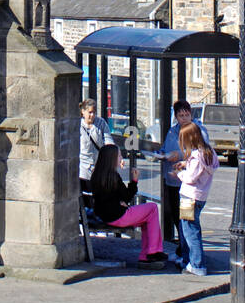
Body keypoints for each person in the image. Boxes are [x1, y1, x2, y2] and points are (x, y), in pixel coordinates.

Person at [89, 144, 165, 268]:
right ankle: (152, 252)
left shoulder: (96, 175)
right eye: (119, 155)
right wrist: (134, 180)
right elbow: (127, 196)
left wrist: (120, 201)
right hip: (118, 216)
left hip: (104, 215)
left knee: (147, 217)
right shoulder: (113, 176)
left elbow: (109, 197)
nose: (121, 158)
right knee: (152, 208)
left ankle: (147, 254)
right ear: (111, 158)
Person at [157, 100, 210, 260]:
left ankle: (194, 262)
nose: (184, 118)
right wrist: (161, 155)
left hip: (188, 190)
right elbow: (167, 149)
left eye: (187, 114)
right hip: (176, 185)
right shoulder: (172, 131)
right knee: (181, 221)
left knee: (188, 225)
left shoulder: (197, 131)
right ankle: (186, 256)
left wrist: (179, 159)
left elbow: (194, 169)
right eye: (181, 115)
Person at [174, 122, 219, 276]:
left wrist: (179, 174)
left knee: (190, 231)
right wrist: (186, 163)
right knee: (188, 227)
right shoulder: (209, 152)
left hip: (189, 196)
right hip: (201, 196)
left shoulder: (195, 156)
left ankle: (197, 265)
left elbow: (191, 177)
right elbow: (211, 165)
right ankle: (188, 261)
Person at [79, 98, 115, 193]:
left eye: (94, 112)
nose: (92, 115)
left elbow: (108, 140)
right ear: (83, 111)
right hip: (83, 167)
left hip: (98, 167)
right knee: (85, 193)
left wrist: (115, 156)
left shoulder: (101, 123)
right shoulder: (78, 126)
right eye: (90, 112)